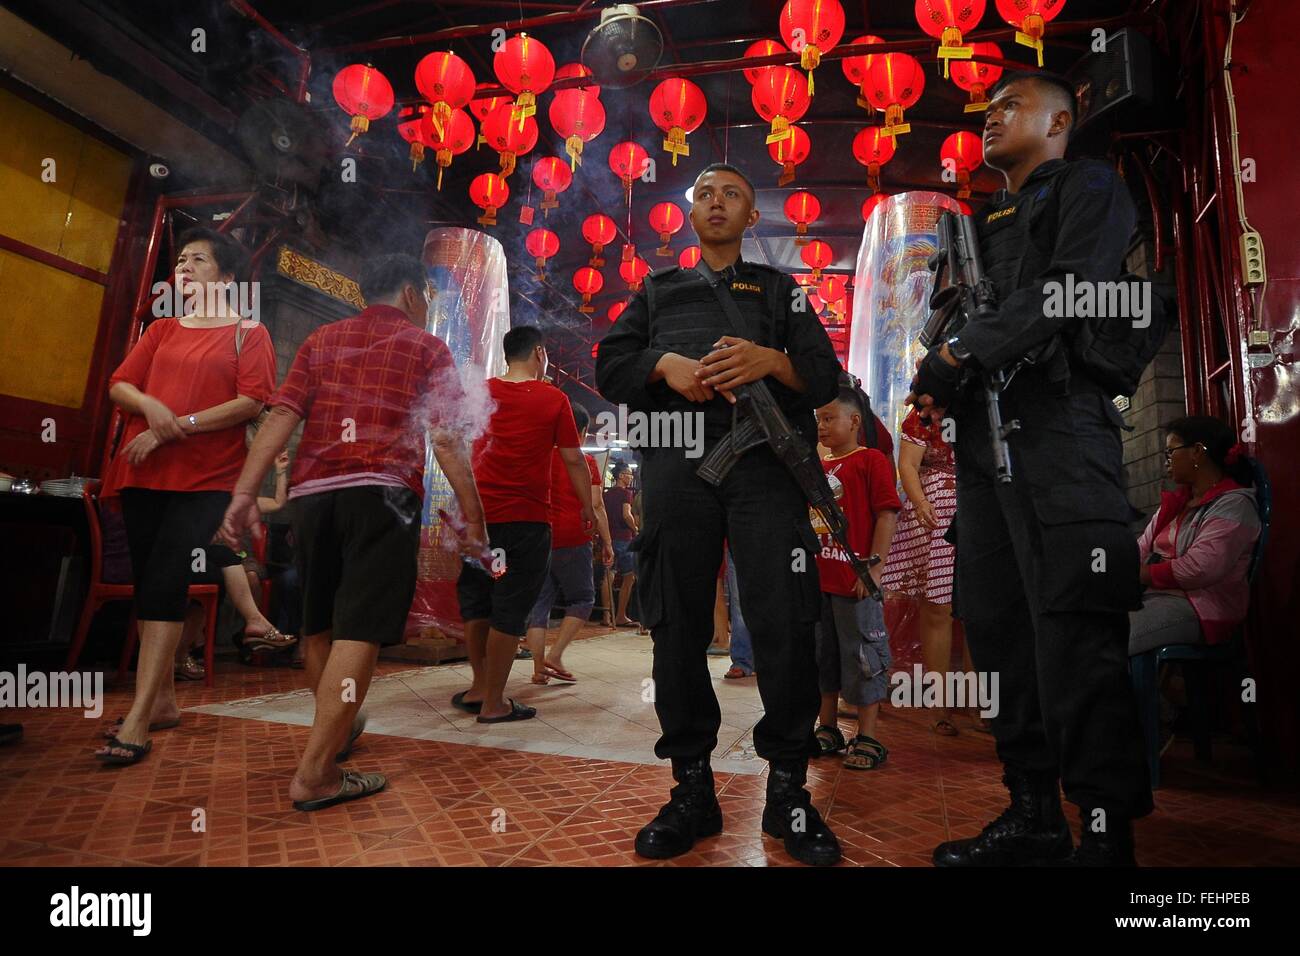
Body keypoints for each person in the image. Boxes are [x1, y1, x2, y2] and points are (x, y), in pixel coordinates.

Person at [908, 72, 1154, 866]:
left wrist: (960, 353)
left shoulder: (1089, 186)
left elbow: (1071, 288)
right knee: (1003, 632)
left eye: (1010, 105)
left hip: (1060, 434)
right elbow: (947, 322)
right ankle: (1032, 810)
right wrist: (937, 371)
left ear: (1058, 122)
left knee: (1077, 638)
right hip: (983, 445)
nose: (992, 116)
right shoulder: (976, 228)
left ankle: (1106, 834)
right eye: (988, 108)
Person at [596, 163, 843, 866]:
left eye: (731, 193)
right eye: (704, 192)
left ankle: (789, 789)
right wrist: (662, 364)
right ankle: (691, 789)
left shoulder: (779, 290)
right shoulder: (657, 288)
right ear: (690, 211)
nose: (716, 202)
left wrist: (772, 360)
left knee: (784, 621)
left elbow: (824, 375)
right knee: (674, 619)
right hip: (677, 471)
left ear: (750, 216)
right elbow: (611, 364)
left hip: (765, 469)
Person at [220, 253, 486, 811]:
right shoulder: (426, 347)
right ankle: (315, 774)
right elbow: (445, 440)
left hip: (313, 499)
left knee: (318, 621)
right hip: (383, 497)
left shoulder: (321, 339)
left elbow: (282, 415)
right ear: (412, 294)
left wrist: (246, 492)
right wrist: (474, 518)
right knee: (360, 628)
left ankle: (332, 738)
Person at [95, 227, 277, 765]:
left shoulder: (250, 333)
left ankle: (137, 717)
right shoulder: (162, 330)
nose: (185, 266)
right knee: (151, 579)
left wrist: (177, 425)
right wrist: (150, 410)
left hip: (205, 478)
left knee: (168, 577)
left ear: (226, 275)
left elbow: (251, 401)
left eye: (199, 259)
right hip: (142, 468)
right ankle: (166, 702)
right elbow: (120, 384)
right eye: (182, 260)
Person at [454, 326, 594, 723]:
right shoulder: (553, 398)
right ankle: (495, 702)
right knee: (511, 608)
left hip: (479, 518)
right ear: (538, 353)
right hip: (527, 521)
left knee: (478, 599)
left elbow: (457, 447)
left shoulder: (478, 392)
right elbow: (572, 459)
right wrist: (586, 505)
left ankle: (479, 685)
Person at [809, 388, 899, 770]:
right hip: (820, 581)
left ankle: (869, 736)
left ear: (854, 421)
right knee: (823, 658)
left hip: (855, 581)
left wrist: (873, 567)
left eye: (830, 418)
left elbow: (887, 513)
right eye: (819, 420)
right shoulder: (819, 467)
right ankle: (827, 727)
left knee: (863, 656)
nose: (822, 426)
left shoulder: (871, 460)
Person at [1131, 417, 1260, 655]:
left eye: (1170, 451)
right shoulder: (1176, 503)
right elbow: (1141, 549)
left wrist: (1140, 573)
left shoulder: (1234, 504)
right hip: (1157, 597)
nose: (1166, 460)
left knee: (1110, 637)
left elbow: (1200, 568)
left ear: (1197, 452)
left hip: (1201, 607)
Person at [881, 407, 967, 735]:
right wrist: (920, 503)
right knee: (938, 608)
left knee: (981, 611)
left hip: (980, 506)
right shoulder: (922, 416)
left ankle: (980, 706)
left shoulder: (986, 400)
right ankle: (940, 706)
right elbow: (908, 465)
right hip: (934, 513)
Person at [524, 400, 614, 684]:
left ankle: (539, 668)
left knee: (539, 605)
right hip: (574, 537)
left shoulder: (536, 457)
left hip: (539, 538)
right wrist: (608, 542)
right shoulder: (585, 462)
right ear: (584, 431)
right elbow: (597, 504)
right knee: (583, 599)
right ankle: (556, 655)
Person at [604, 462, 640, 626]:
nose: (631, 476)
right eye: (628, 473)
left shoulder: (606, 494)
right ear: (620, 475)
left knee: (608, 575)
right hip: (624, 538)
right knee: (628, 577)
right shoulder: (626, 494)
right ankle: (620, 615)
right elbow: (626, 515)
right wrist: (636, 528)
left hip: (609, 538)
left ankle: (606, 616)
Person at [722, 545, 754, 679]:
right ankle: (742, 660)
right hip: (737, 540)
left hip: (772, 536)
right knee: (739, 602)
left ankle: (771, 658)